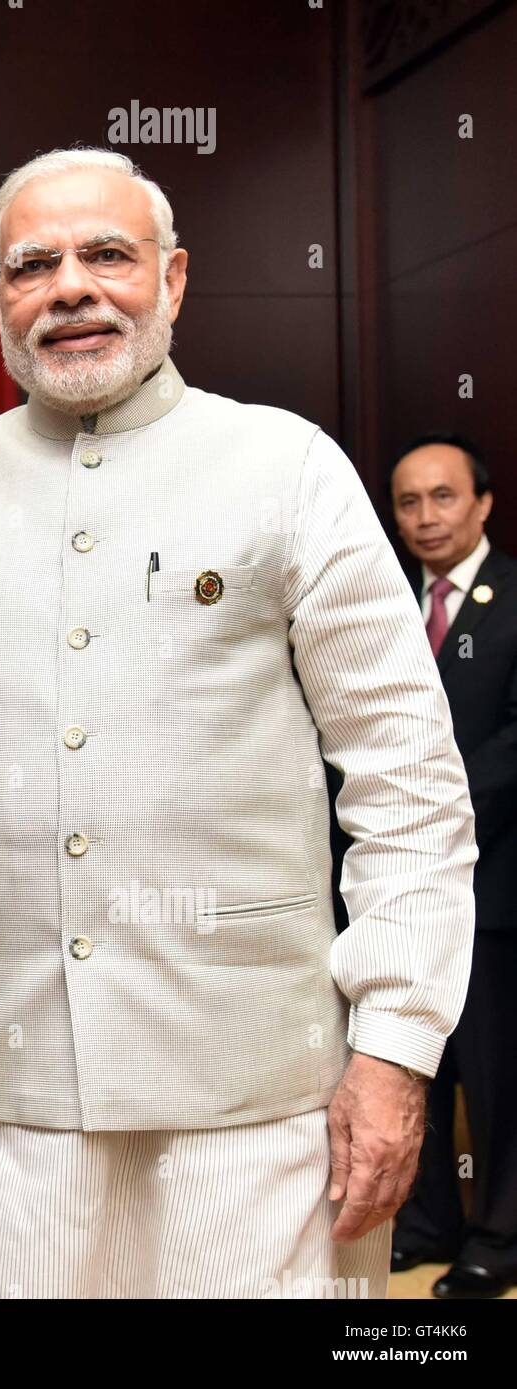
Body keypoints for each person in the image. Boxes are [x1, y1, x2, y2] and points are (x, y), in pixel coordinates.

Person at [0, 146, 476, 1299]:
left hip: (253, 1114)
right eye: (33, 264)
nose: (70, 286)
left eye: (107, 254)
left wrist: (396, 1051)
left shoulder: (289, 469)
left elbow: (405, 782)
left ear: (173, 280)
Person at [389, 433, 517, 1299]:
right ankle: (428, 1219)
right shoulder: (386, 601)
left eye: (443, 497)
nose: (426, 516)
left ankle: (499, 1237)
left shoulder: (514, 596)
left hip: (497, 884)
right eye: (408, 502)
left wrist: (426, 806)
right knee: (414, 1058)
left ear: (482, 503)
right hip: (398, 894)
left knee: (500, 1072)